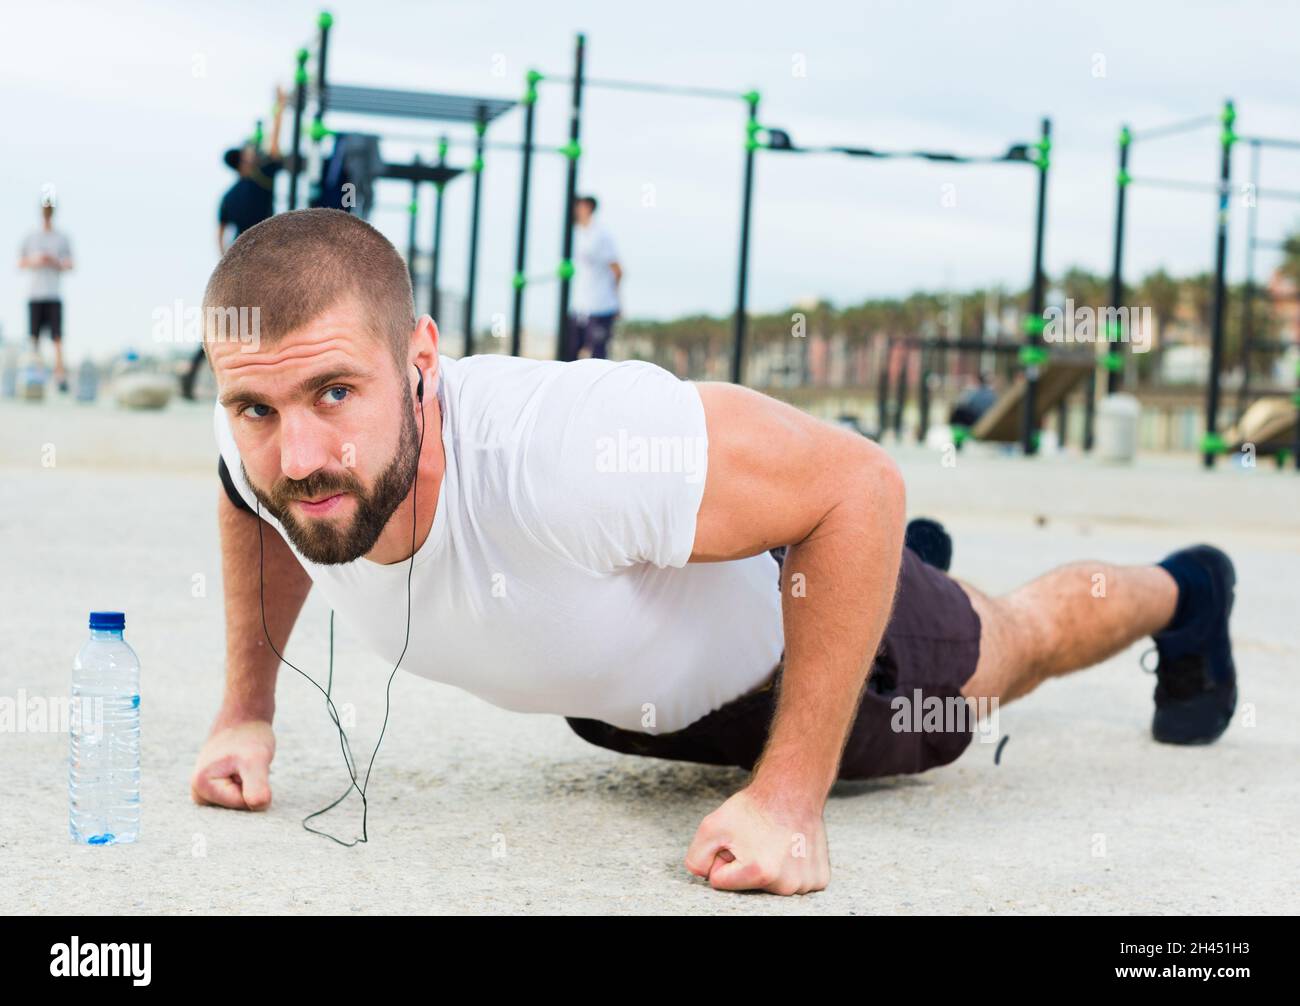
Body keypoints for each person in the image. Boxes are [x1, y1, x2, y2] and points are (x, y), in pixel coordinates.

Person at [190, 209, 1239, 897]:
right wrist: (248, 710)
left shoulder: (570, 451)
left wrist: (787, 798)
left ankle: (1187, 590)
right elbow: (249, 502)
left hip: (804, 670)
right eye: (256, 408)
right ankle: (856, 556)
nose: (301, 453)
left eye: (336, 392)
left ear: (420, 358)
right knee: (806, 524)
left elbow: (856, 481)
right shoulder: (270, 436)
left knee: (1013, 640)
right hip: (631, 695)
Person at [180, 87, 288, 400]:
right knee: (267, 319)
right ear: (243, 162)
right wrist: (279, 106)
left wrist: (226, 260)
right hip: (267, 262)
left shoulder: (229, 196)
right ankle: (263, 380)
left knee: (224, 323)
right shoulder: (261, 180)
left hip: (238, 263)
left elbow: (219, 232)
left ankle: (193, 374)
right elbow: (275, 145)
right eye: (249, 153)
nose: (254, 153)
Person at [17, 197, 74, 392]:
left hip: (53, 294)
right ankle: (35, 376)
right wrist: (36, 260)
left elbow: (70, 264)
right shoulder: (31, 237)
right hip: (35, 294)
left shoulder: (62, 237)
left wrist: (55, 262)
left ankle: (60, 377)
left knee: (57, 338)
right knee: (34, 338)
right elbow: (21, 262)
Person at [566, 195, 622, 360]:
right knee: (570, 354)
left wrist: (617, 301)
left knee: (598, 356)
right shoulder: (575, 233)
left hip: (601, 306)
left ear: (588, 208)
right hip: (579, 307)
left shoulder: (601, 235)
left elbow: (617, 270)